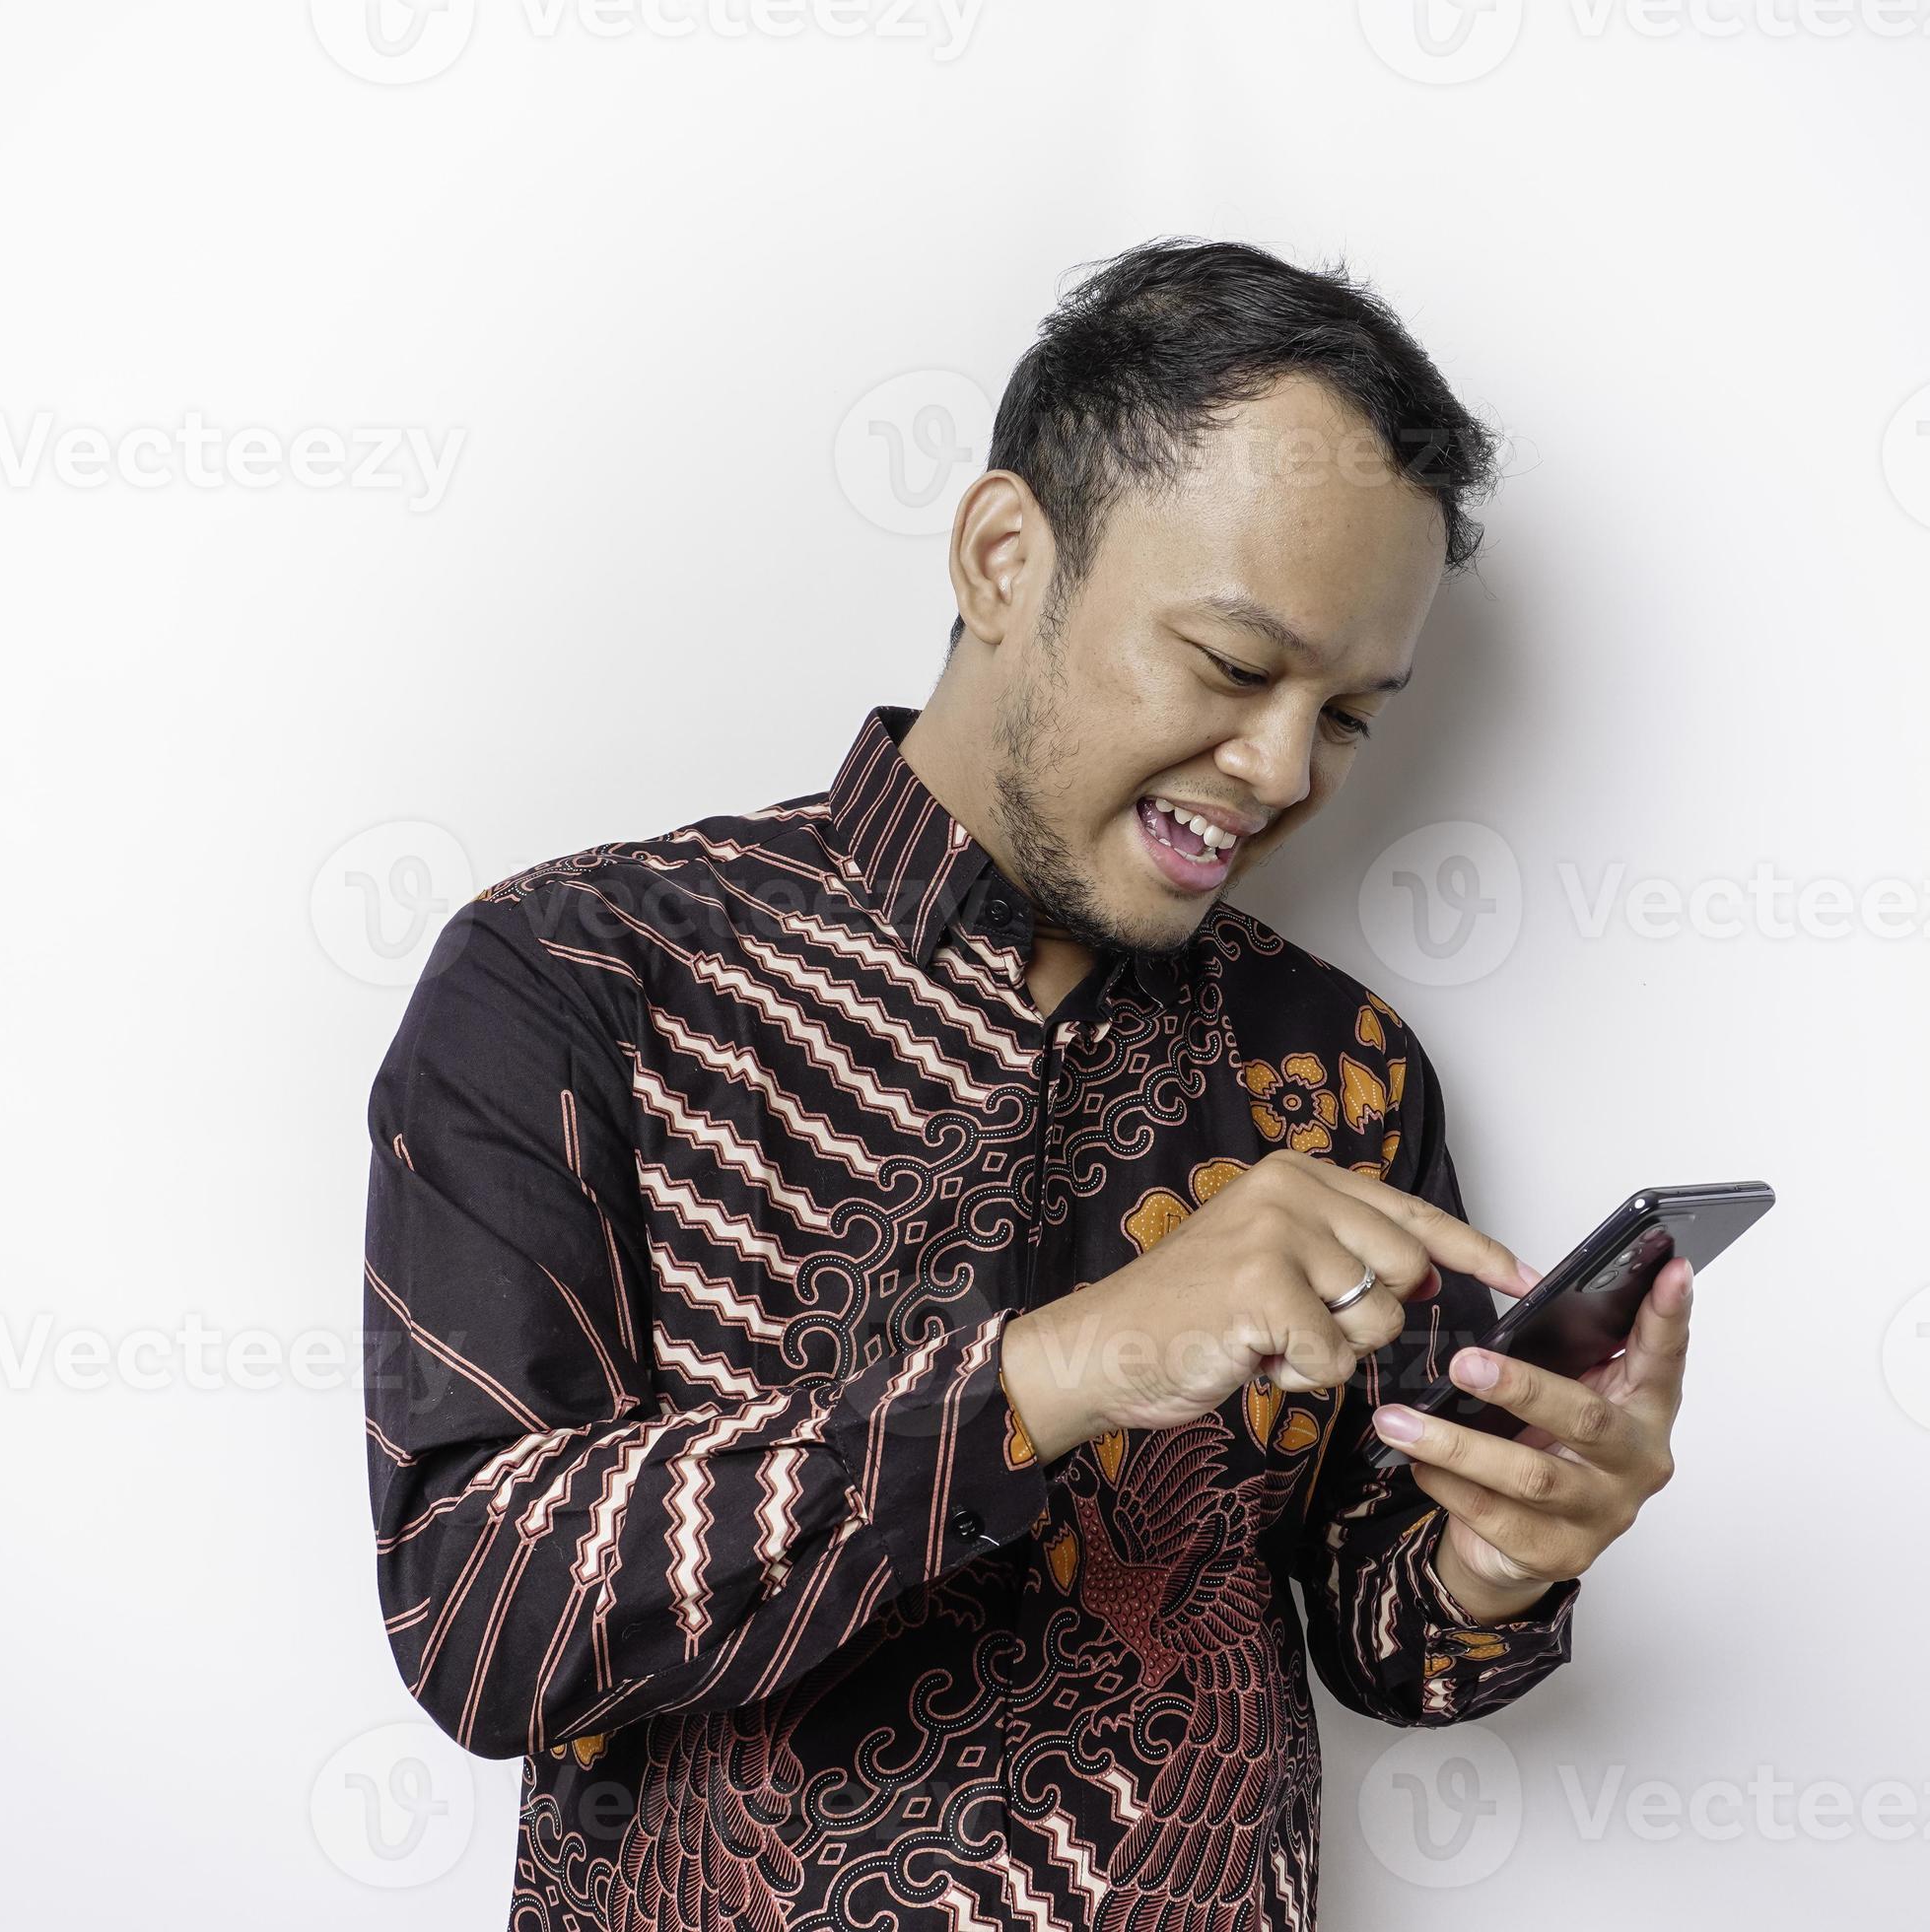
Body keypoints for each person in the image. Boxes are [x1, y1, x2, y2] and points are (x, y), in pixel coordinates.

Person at [361, 238, 1694, 1931]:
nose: (1284, 769)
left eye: (1350, 715)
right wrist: (1070, 1365)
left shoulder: (1340, 1067)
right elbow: (478, 1617)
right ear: (1005, 557)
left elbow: (1384, 1637)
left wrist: (1496, 1561)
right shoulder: (579, 978)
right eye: (1235, 666)